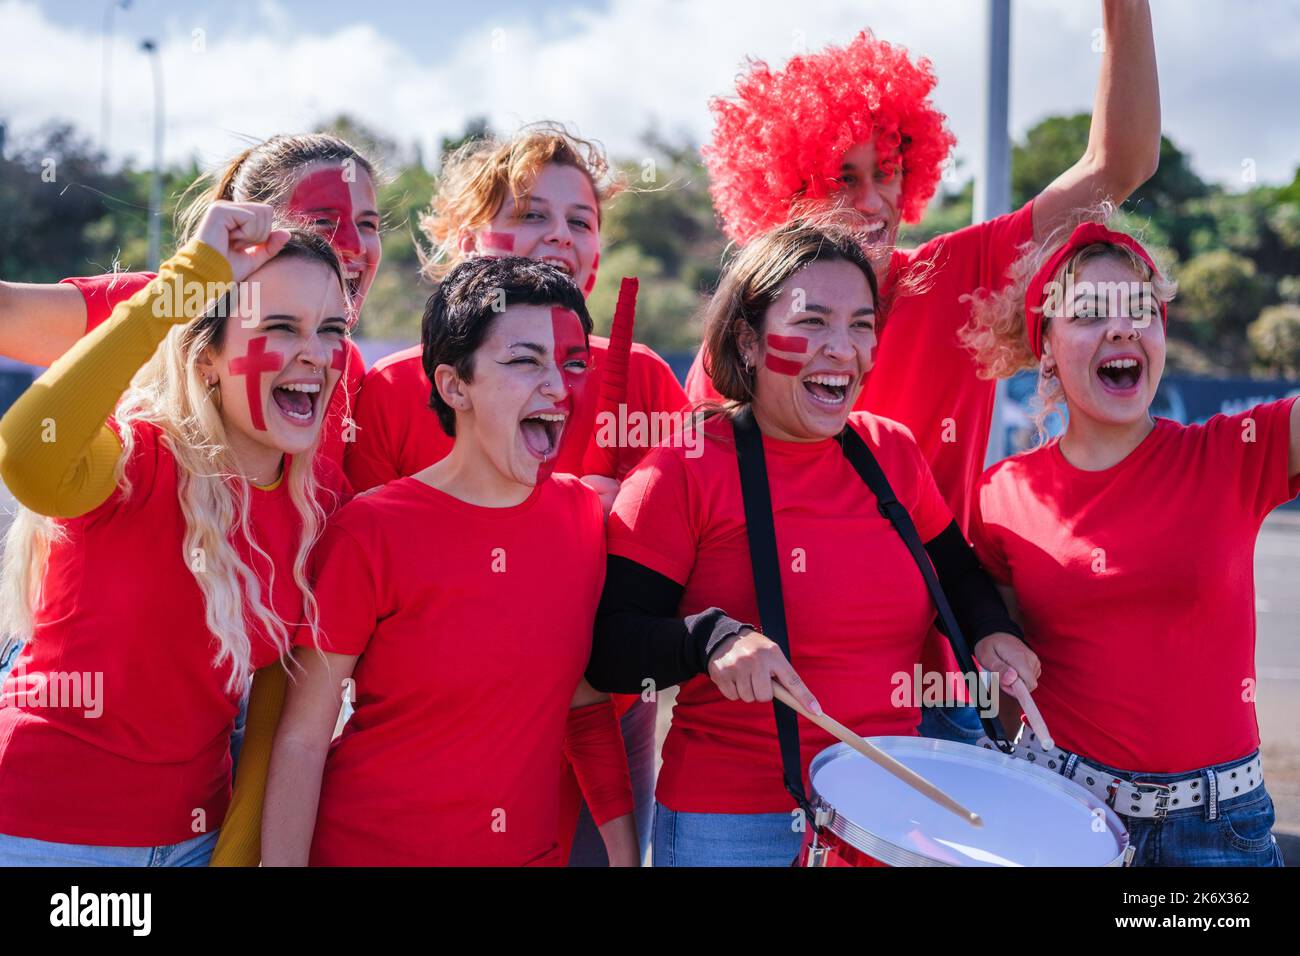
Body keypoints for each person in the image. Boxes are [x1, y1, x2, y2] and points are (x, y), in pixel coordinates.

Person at [684, 8, 1160, 742]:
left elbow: (1118, 165)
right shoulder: (739, 350)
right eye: (844, 178)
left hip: (932, 684)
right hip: (779, 688)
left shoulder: (954, 275)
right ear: (786, 187)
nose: (874, 202)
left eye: (889, 174)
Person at [585, 221, 1034, 866]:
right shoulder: (684, 465)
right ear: (748, 337)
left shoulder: (893, 453)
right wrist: (711, 641)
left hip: (888, 818)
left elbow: (957, 577)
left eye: (859, 324)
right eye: (813, 321)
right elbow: (611, 647)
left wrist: (994, 632)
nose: (841, 349)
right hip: (735, 826)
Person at [346, 123, 687, 865]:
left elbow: (682, 572)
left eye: (581, 221)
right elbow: (356, 598)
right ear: (467, 238)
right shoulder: (391, 391)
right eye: (531, 214)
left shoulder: (651, 382)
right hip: (435, 747)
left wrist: (614, 526)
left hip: (606, 724)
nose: (560, 236)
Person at [0, 201, 351, 865]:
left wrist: (233, 855)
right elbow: (24, 453)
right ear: (209, 358)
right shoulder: (138, 460)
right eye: (280, 326)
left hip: (195, 839)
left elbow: (277, 706)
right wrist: (185, 284)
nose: (315, 354)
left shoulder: (323, 504)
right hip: (43, 835)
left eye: (331, 329)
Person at [260, 256, 636, 866]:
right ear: (453, 385)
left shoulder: (585, 522)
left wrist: (625, 858)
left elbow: (585, 708)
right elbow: (302, 740)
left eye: (570, 363)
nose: (559, 387)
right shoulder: (371, 530)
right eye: (524, 361)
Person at [964, 220, 1298, 867]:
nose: (1122, 328)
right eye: (1089, 313)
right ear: (1048, 348)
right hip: (1060, 817)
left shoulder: (1233, 452)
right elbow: (1004, 687)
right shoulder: (1001, 494)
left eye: (1140, 309)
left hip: (1219, 830)